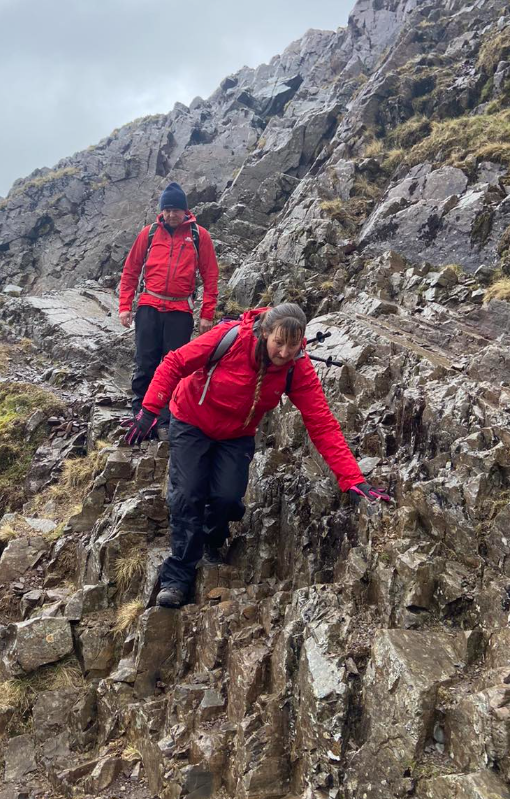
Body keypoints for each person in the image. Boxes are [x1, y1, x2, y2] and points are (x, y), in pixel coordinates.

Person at [124, 303, 391, 608]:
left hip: (236, 435)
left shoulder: (296, 367)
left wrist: (352, 478)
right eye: (279, 343)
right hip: (191, 422)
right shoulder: (229, 338)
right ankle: (178, 577)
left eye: (293, 344)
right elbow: (174, 362)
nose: (285, 352)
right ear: (265, 332)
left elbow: (321, 422)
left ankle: (212, 538)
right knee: (186, 496)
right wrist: (148, 411)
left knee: (226, 498)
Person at [119, 181, 219, 439]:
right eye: (168, 210)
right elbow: (131, 270)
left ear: (186, 211)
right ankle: (140, 415)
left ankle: (164, 418)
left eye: (177, 210)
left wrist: (207, 314)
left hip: (180, 311)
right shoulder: (149, 233)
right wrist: (124, 307)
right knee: (144, 363)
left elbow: (211, 277)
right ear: (161, 211)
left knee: (174, 366)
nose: (172, 214)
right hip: (149, 307)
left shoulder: (199, 236)